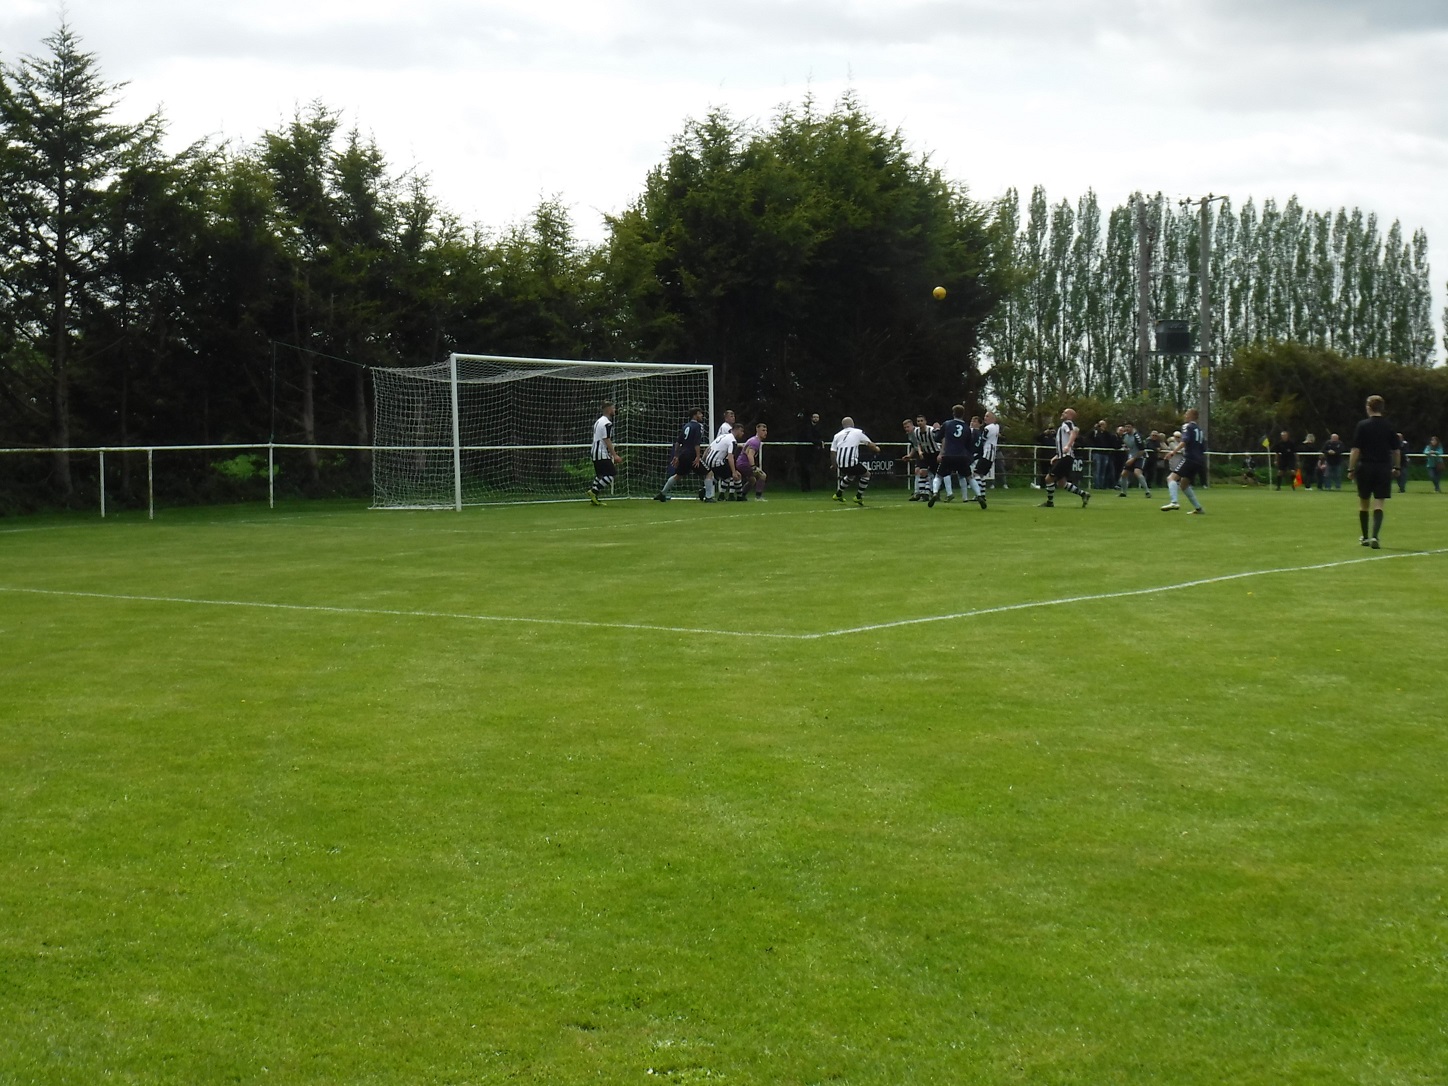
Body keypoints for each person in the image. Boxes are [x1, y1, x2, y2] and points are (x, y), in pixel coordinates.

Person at [1348, 396, 1400, 548]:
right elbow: (1396, 450)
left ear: (1368, 407)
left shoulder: (1362, 425)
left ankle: (1365, 537)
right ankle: (1375, 536)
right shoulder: (1389, 426)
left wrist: (1351, 468)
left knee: (1364, 503)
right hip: (1383, 467)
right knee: (1379, 503)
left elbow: (1356, 450)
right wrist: (1397, 467)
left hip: (1365, 467)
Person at [929, 405, 985, 509]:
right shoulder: (967, 428)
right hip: (961, 455)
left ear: (953, 413)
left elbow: (937, 438)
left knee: (939, 476)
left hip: (948, 454)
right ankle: (979, 495)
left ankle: (935, 492)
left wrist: (936, 430)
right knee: (969, 477)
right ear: (963, 414)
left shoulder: (947, 424)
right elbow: (969, 444)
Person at [1040, 408, 1091, 508]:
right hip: (1063, 456)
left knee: (1048, 479)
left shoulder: (1067, 423)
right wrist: (1057, 455)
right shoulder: (1064, 426)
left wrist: (1068, 445)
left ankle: (1050, 502)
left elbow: (1073, 433)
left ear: (1070, 416)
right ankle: (1083, 494)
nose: (1063, 413)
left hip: (1066, 457)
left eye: (1065, 412)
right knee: (1061, 483)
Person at [654, 407, 707, 501]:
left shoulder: (686, 426)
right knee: (709, 473)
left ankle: (662, 493)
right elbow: (696, 443)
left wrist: (676, 456)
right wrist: (698, 456)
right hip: (692, 454)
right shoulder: (698, 426)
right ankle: (709, 497)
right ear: (695, 415)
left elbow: (678, 442)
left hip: (683, 454)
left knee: (678, 475)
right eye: (700, 414)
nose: (702, 415)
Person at [1160, 409, 1206, 514]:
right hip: (1199, 460)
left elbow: (1185, 441)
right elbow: (1202, 446)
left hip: (1190, 458)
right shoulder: (1200, 430)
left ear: (1191, 416)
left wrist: (1173, 452)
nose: (1185, 415)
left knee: (1171, 478)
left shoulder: (1187, 426)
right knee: (1184, 485)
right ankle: (1198, 509)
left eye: (1186, 413)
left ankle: (1174, 502)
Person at [830, 416, 881, 506]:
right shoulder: (858, 432)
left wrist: (834, 465)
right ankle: (858, 497)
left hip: (841, 463)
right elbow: (869, 444)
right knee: (866, 475)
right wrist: (877, 449)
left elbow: (833, 452)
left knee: (850, 475)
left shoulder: (837, 435)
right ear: (852, 424)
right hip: (851, 461)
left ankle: (838, 494)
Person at [586, 401, 622, 506]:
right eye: (613, 408)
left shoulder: (598, 421)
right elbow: (606, 439)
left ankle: (594, 499)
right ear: (609, 409)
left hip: (595, 451)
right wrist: (614, 455)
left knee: (600, 475)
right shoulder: (607, 423)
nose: (615, 410)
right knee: (611, 474)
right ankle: (594, 491)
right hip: (600, 452)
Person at [700, 423, 740, 502]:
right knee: (734, 475)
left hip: (709, 460)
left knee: (718, 476)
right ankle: (737, 495)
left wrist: (703, 460)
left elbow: (708, 448)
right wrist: (734, 471)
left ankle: (705, 490)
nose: (743, 433)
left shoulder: (722, 436)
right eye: (741, 431)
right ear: (737, 430)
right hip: (716, 462)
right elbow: (730, 456)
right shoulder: (732, 441)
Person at [1116, 422, 1152, 498]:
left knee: (1137, 472)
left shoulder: (1137, 436)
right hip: (1131, 456)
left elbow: (1142, 450)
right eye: (1126, 427)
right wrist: (1126, 449)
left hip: (1140, 456)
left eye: (1129, 427)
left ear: (1132, 428)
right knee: (1123, 474)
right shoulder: (1124, 436)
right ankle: (1123, 492)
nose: (1127, 429)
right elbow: (1126, 445)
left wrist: (1132, 459)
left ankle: (1147, 491)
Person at [913, 414, 942, 501]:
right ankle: (923, 494)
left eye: (922, 421)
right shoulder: (916, 432)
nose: (920, 423)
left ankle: (934, 493)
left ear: (925, 422)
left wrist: (940, 453)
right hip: (925, 453)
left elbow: (940, 441)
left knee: (935, 474)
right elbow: (918, 443)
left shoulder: (931, 430)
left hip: (935, 453)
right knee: (922, 472)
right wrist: (920, 451)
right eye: (918, 421)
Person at [797, 412, 824, 492]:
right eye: (814, 417)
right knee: (804, 469)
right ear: (812, 418)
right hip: (803, 452)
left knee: (809, 470)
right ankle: (804, 488)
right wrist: (819, 442)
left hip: (811, 452)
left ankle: (808, 487)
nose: (816, 418)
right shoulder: (807, 427)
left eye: (817, 417)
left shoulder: (819, 428)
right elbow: (810, 438)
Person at [741, 422, 768, 500]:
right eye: (763, 430)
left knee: (752, 480)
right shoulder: (755, 441)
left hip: (741, 462)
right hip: (744, 463)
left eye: (766, 430)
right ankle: (758, 497)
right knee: (762, 475)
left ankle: (742, 495)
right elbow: (750, 455)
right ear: (757, 430)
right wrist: (753, 467)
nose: (765, 432)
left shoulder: (753, 440)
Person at [978, 411, 1003, 488]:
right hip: (992, 453)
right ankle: (981, 494)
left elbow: (982, 440)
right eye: (985, 416)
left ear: (993, 419)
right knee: (981, 474)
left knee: (976, 473)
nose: (985, 418)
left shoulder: (987, 428)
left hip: (987, 452)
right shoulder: (996, 427)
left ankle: (979, 494)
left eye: (987, 416)